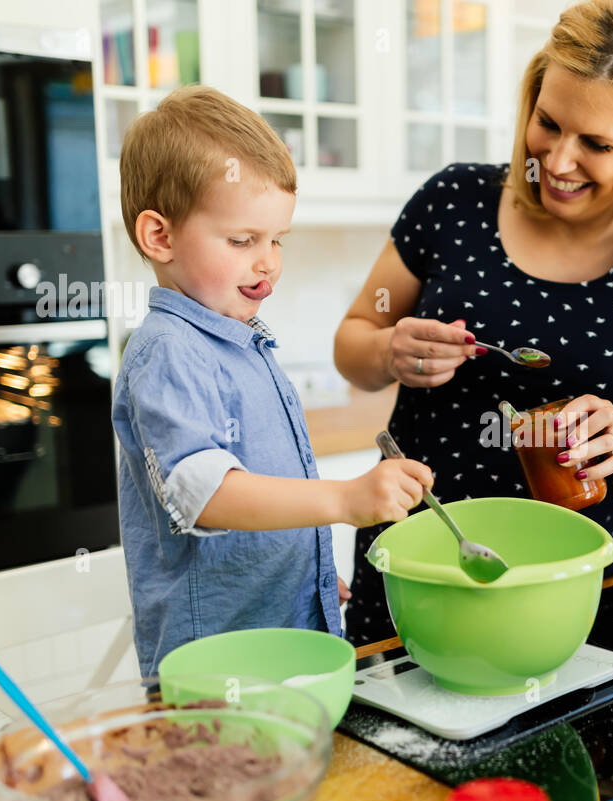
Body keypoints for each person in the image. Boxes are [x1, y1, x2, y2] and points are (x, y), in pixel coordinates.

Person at [334, 0, 613, 644]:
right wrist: (388, 352)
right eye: (549, 123)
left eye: (598, 144)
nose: (558, 161)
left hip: (575, 585)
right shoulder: (453, 201)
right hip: (415, 561)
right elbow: (352, 344)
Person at [112, 86, 432, 675]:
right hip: (215, 670)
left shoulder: (238, 337)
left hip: (279, 649)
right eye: (242, 241)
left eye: (277, 240)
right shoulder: (167, 350)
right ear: (159, 236)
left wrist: (304, 562)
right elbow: (204, 495)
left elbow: (263, 495)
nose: (268, 262)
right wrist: (344, 498)